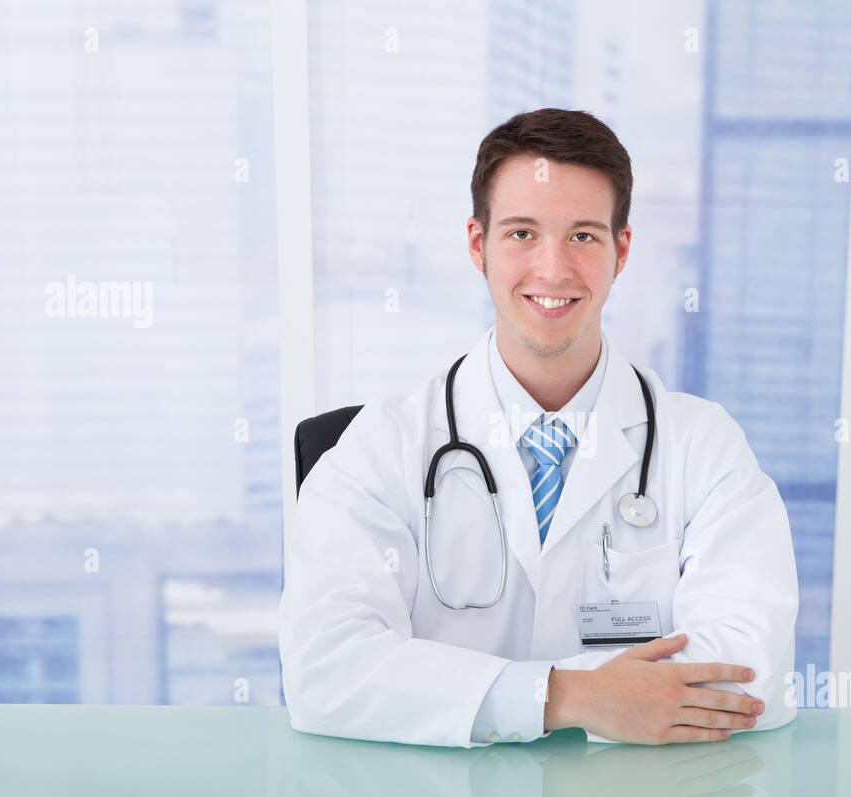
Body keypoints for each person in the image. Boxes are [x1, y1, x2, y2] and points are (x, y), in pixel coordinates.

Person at [278, 108, 799, 748]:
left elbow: (749, 680)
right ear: (478, 244)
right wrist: (571, 698)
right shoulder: (378, 448)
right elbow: (325, 670)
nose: (552, 270)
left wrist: (467, 696)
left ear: (622, 250)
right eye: (522, 233)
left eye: (583, 236)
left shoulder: (704, 447)